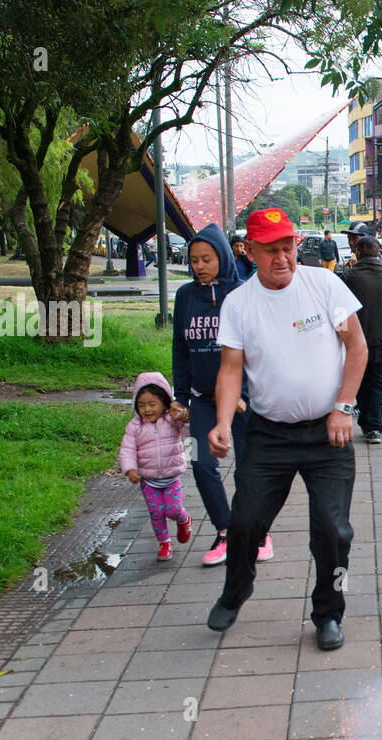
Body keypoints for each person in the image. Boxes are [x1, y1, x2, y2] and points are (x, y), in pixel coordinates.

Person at [205, 207, 367, 653]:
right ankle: (236, 590)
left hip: (327, 433)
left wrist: (343, 409)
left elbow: (357, 347)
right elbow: (231, 369)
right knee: (244, 523)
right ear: (249, 250)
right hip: (269, 435)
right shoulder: (239, 303)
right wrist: (221, 422)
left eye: (288, 247)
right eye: (271, 249)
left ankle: (329, 614)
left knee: (334, 532)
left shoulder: (324, 285)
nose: (283, 257)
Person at [170, 223, 274, 567]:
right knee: (201, 463)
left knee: (248, 469)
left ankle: (258, 532)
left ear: (223, 257)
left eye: (207, 259)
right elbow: (180, 350)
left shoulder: (243, 292)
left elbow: (258, 350)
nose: (199, 266)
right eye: (194, 260)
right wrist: (180, 397)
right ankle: (225, 531)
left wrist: (244, 392)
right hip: (201, 399)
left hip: (244, 400)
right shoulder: (185, 296)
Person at [120, 372, 192, 562]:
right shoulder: (134, 426)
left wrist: (184, 418)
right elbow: (127, 449)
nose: (147, 409)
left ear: (164, 402)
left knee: (173, 509)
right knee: (157, 512)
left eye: (152, 404)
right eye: (142, 405)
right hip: (148, 479)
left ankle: (184, 520)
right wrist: (130, 469)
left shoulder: (172, 420)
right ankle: (165, 543)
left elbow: (189, 432)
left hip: (171, 477)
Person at [341, 235, 382, 444]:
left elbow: (341, 303)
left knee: (362, 381)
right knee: (379, 381)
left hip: (357, 338)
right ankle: (374, 427)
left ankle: (368, 423)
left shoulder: (351, 275)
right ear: (378, 252)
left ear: (358, 252)